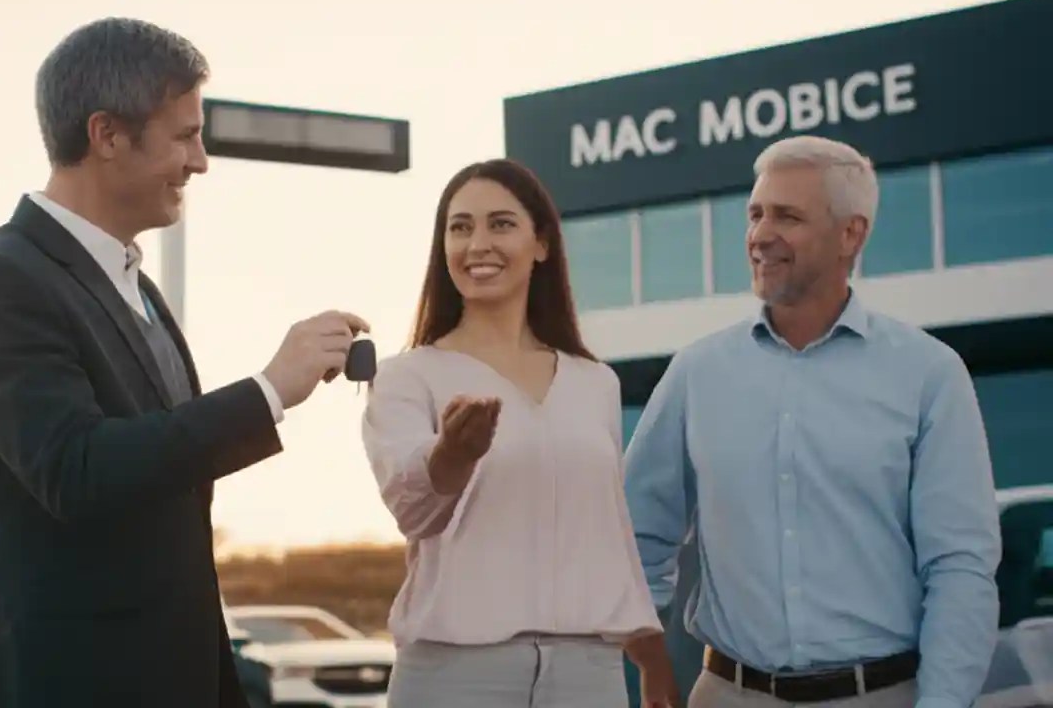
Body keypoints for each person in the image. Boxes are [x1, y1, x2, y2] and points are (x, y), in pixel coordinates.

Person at [0, 18, 367, 708]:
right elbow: (76, 471)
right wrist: (267, 391)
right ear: (107, 135)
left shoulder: (139, 286)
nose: (200, 162)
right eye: (185, 136)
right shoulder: (0, 280)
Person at [624, 135, 1002, 708]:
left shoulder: (929, 374)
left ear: (852, 233)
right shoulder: (697, 373)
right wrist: (649, 660)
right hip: (727, 694)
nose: (760, 234)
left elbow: (961, 568)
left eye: (787, 216)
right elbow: (634, 536)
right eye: (755, 214)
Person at [360, 158, 678, 707]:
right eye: (460, 227)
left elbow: (610, 535)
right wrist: (452, 455)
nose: (477, 243)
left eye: (500, 224)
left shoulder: (594, 381)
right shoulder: (406, 375)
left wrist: (651, 657)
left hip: (588, 673)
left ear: (542, 245)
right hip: (456, 674)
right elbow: (413, 509)